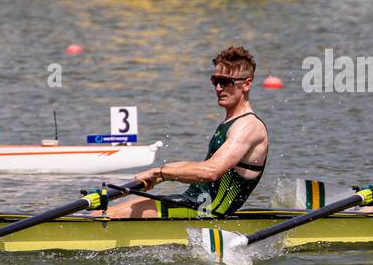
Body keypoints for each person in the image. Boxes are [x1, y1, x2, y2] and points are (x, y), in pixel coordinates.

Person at [105, 47, 269, 218]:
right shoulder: (231, 122)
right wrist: (159, 175)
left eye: (226, 82)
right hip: (192, 202)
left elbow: (211, 171)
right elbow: (204, 165)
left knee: (109, 216)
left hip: (208, 211)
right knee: (104, 211)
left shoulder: (248, 126)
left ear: (247, 84)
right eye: (215, 81)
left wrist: (160, 173)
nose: (219, 88)